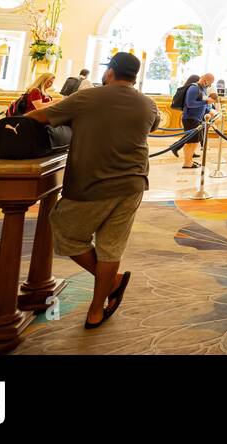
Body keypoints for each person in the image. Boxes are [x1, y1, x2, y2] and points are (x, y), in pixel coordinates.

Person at [27, 52, 159, 329]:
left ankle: (113, 281)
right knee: (111, 246)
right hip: (133, 183)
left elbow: (37, 117)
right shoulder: (147, 104)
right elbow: (153, 124)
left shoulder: (87, 98)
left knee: (65, 233)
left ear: (110, 71)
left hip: (91, 183)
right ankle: (97, 307)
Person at [170, 72, 215, 168]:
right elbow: (190, 104)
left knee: (195, 142)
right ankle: (187, 163)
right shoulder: (194, 88)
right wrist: (206, 101)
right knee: (190, 142)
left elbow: (202, 103)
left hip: (197, 118)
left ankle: (190, 160)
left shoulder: (202, 89)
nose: (209, 85)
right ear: (205, 80)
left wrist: (209, 108)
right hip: (190, 118)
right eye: (209, 83)